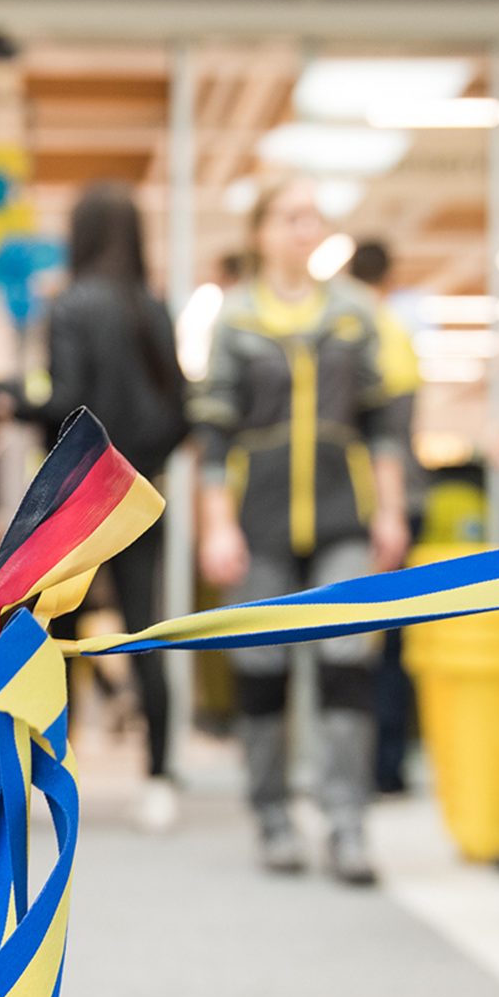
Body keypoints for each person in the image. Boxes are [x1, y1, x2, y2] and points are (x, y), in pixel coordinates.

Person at [190, 176, 412, 886]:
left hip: (344, 514)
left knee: (349, 664)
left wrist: (390, 510)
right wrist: (216, 525)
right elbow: (215, 436)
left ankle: (348, 823)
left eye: (312, 217)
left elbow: (383, 424)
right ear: (260, 232)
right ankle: (274, 816)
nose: (303, 228)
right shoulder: (237, 318)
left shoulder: (354, 312)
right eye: (289, 217)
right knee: (261, 671)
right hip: (259, 522)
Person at [14, 183, 188, 829]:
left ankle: (56, 771)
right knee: (146, 630)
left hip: (78, 499)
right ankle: (161, 776)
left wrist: (14, 401)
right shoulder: (155, 306)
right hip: (140, 493)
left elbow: (68, 400)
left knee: (59, 637)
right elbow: (181, 410)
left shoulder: (70, 307)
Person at [343, 236, 423, 796]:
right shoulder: (395, 330)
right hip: (401, 503)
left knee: (362, 645)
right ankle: (386, 765)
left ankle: (376, 766)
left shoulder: (357, 327)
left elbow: (379, 436)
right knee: (390, 643)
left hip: (368, 508)